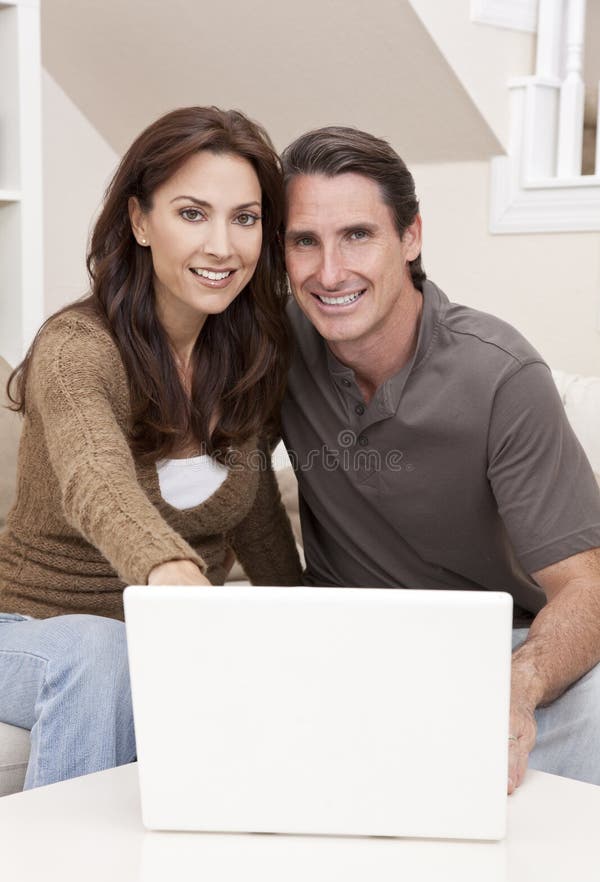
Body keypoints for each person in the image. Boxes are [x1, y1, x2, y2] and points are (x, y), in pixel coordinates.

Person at [279, 125, 600, 794]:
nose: (329, 272)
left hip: (492, 654)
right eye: (305, 241)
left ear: (412, 237)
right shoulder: (274, 346)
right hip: (343, 657)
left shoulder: (501, 375)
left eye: (358, 235)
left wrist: (519, 686)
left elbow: (587, 587)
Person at [0, 106, 302, 789]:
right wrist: (170, 570)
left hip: (164, 640)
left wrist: (304, 619)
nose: (223, 246)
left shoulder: (254, 354)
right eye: (193, 213)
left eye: (245, 218)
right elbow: (94, 479)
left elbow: (250, 513)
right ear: (139, 221)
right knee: (101, 651)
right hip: (27, 627)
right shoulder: (78, 347)